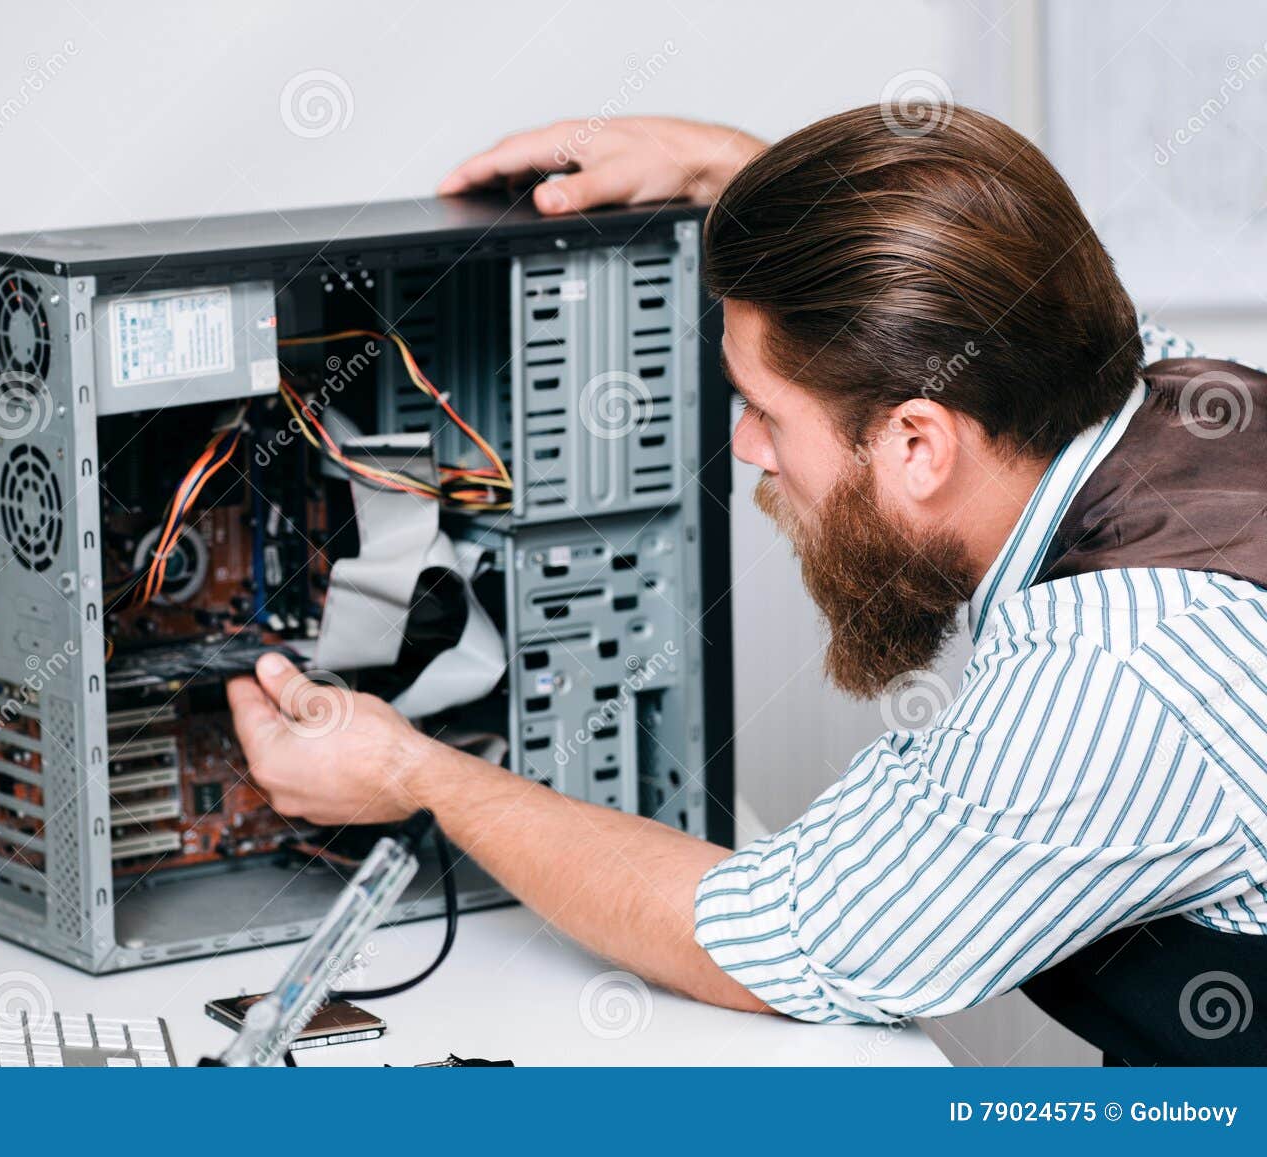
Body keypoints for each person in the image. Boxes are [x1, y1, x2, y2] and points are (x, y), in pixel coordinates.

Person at [227, 107, 1267, 1063]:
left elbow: (763, 937)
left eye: (764, 408)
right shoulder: (1167, 395)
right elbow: (998, 287)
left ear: (916, 442)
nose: (745, 446)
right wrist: (746, 177)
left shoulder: (1114, 678)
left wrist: (417, 772)